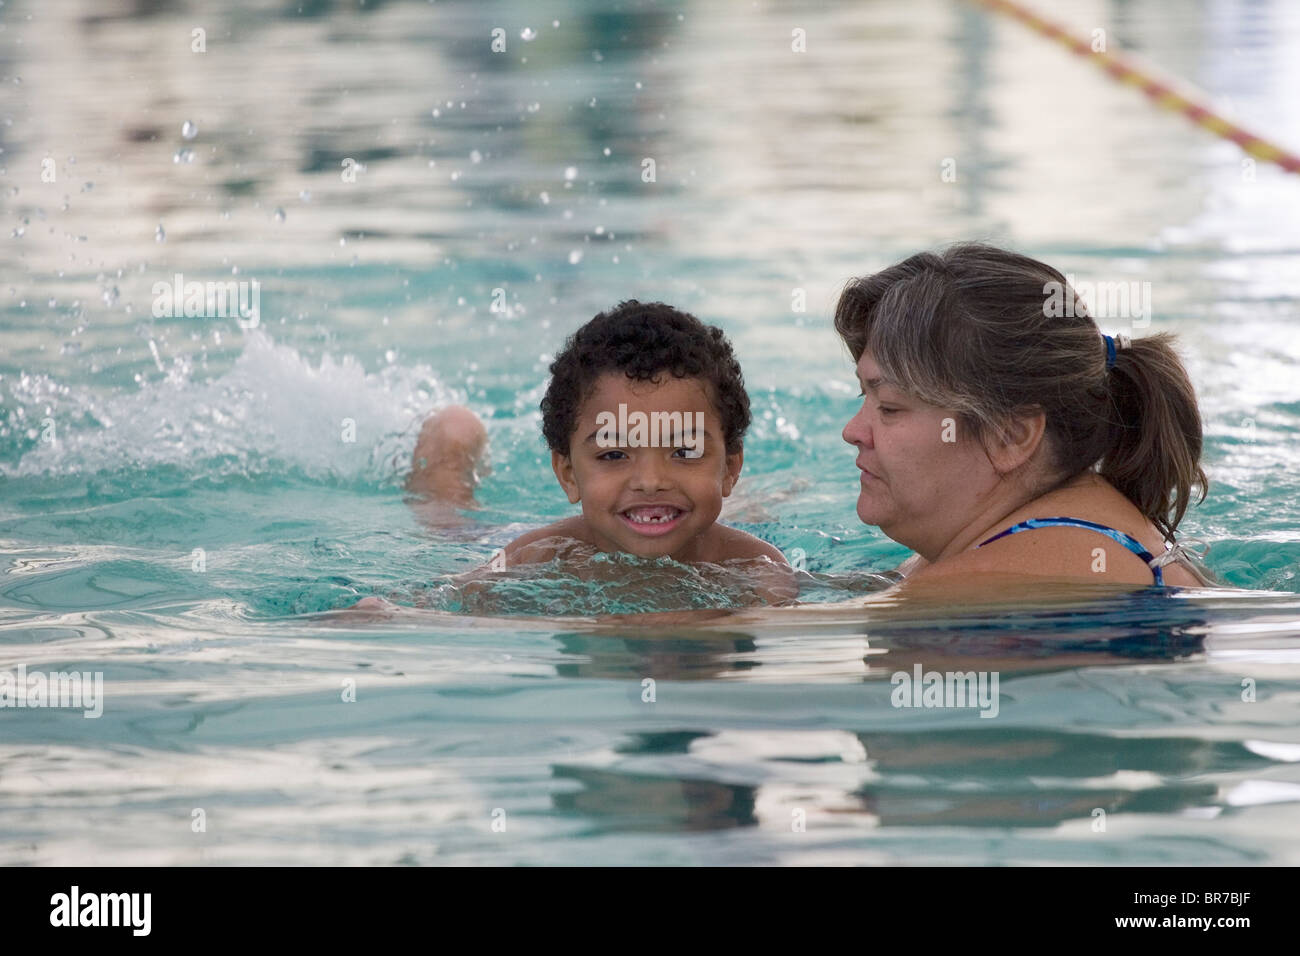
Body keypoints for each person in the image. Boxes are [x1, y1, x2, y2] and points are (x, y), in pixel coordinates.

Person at [835, 242, 1217, 596]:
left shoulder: (1005, 579)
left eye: (888, 406)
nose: (852, 432)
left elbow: (792, 637)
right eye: (863, 395)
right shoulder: (1044, 539)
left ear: (1011, 436)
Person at [357, 300, 792, 611]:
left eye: (683, 450)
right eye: (615, 454)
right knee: (447, 521)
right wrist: (384, 612)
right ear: (567, 472)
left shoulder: (755, 566)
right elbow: (436, 600)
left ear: (731, 466)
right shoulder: (541, 555)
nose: (650, 478)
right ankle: (452, 438)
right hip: (487, 537)